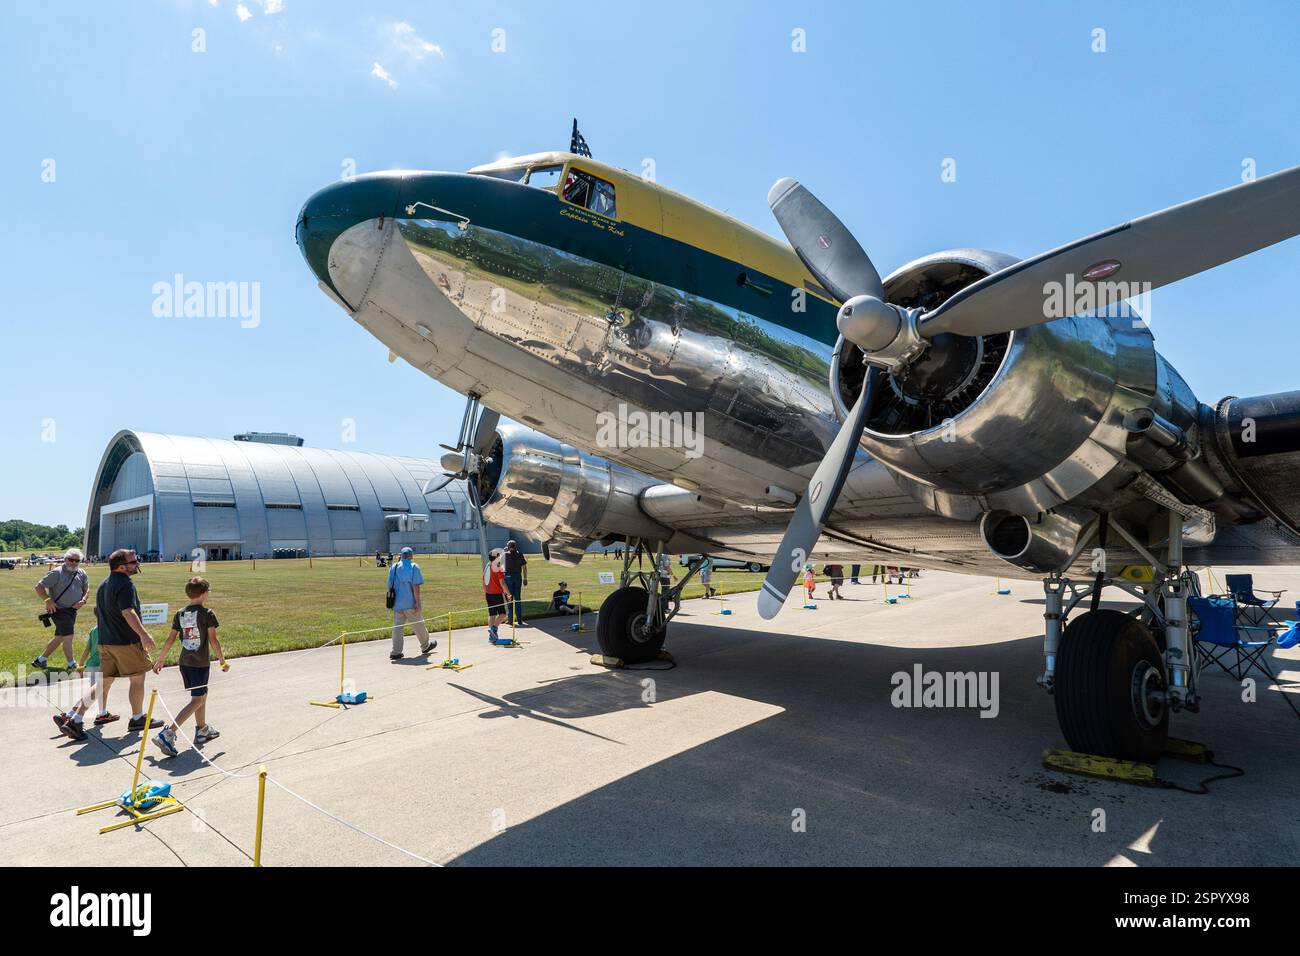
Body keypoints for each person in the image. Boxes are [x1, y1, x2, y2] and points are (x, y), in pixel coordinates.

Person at [151, 576, 229, 756]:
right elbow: (213, 640)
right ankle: (168, 733)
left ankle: (202, 730)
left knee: (201, 695)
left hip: (185, 662)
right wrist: (222, 661)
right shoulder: (207, 614)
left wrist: (161, 659)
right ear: (203, 594)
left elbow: (170, 639)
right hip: (199, 664)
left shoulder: (180, 613)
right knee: (198, 699)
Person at [94, 549, 162, 734]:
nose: (137, 564)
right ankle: (138, 717)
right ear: (122, 567)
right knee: (138, 679)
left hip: (105, 641)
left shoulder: (103, 584)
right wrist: (144, 634)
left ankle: (74, 716)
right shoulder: (125, 584)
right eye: (133, 562)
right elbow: (127, 612)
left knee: (104, 682)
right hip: (125, 642)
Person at [55, 624, 116, 740]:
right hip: (102, 665)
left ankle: (101, 713)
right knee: (96, 693)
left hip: (91, 665)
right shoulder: (109, 628)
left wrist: (81, 665)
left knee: (97, 692)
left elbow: (87, 648)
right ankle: (71, 715)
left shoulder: (93, 630)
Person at [33, 548, 90, 671]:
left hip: (72, 611)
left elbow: (87, 589)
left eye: (77, 560)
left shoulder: (82, 572)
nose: (74, 563)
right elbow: (39, 587)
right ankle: (72, 665)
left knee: (59, 637)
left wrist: (83, 600)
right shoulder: (57, 572)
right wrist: (48, 600)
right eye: (71, 560)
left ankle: (40, 660)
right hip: (59, 610)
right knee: (68, 637)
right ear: (65, 559)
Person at [387, 547, 436, 660]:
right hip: (410, 603)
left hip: (397, 604)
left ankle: (396, 651)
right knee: (419, 625)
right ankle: (425, 646)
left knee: (397, 628)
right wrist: (417, 602)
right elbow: (416, 586)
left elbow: (390, 585)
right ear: (411, 556)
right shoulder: (414, 567)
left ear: (401, 555)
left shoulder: (393, 567)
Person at [484, 549, 508, 643]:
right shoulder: (497, 568)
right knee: (503, 614)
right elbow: (502, 583)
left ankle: (491, 636)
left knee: (492, 614)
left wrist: (486, 590)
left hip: (488, 593)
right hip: (497, 594)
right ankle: (494, 628)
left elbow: (483, 581)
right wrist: (508, 593)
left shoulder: (487, 566)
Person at [502, 540, 528, 626]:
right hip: (518, 577)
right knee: (518, 599)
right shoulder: (519, 554)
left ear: (509, 546)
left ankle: (510, 620)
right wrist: (525, 578)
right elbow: (524, 567)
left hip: (508, 577)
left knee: (509, 599)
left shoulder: (505, 554)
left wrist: (505, 550)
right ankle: (519, 620)